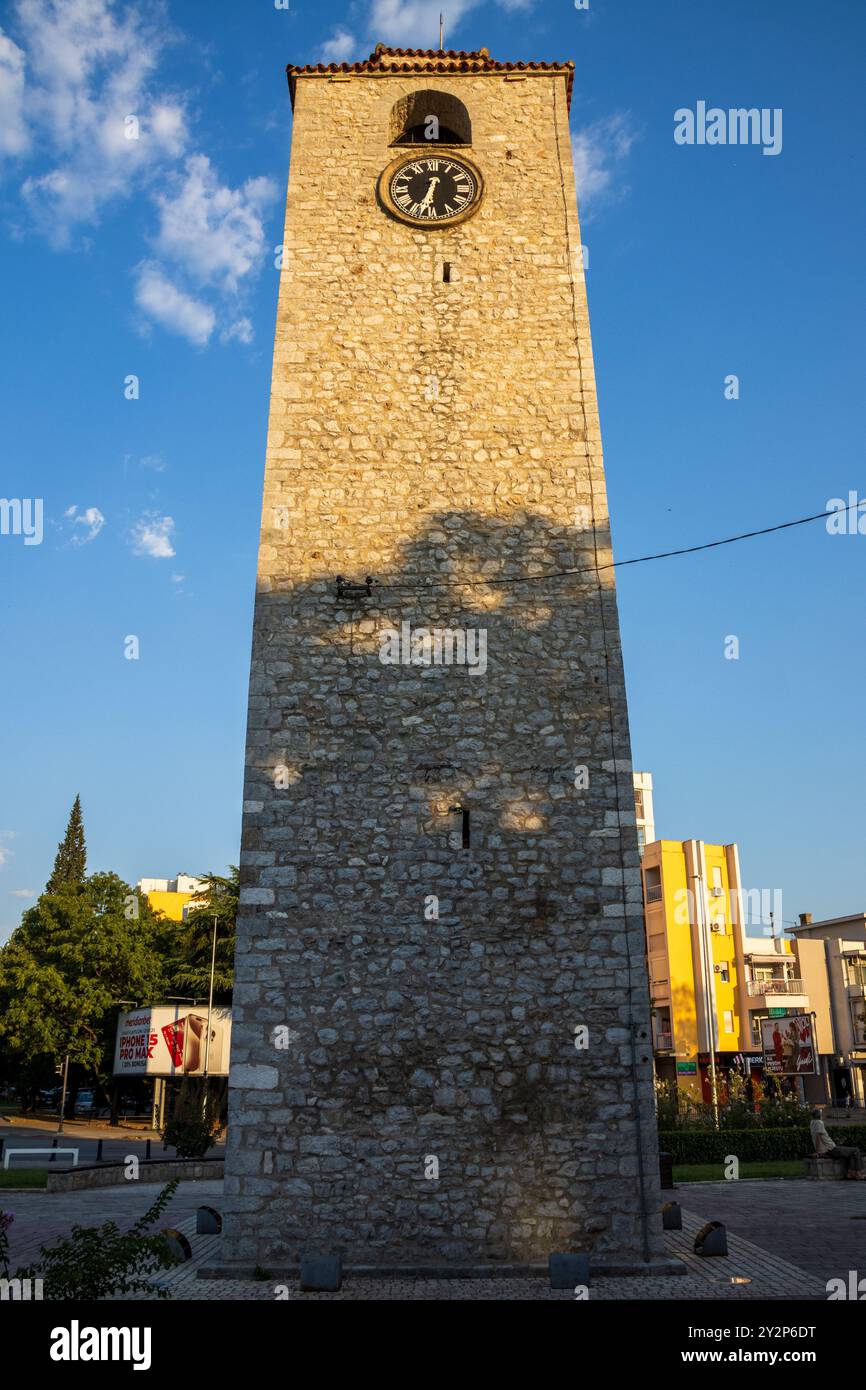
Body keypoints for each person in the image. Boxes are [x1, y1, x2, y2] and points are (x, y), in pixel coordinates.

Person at [810, 1108, 865, 1179]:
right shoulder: (819, 1123)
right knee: (856, 1150)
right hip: (831, 1149)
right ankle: (858, 1173)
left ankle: (850, 1173)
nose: (822, 1115)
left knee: (851, 1153)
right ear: (820, 1115)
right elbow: (818, 1137)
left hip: (829, 1149)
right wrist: (817, 1152)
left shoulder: (812, 1123)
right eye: (821, 1113)